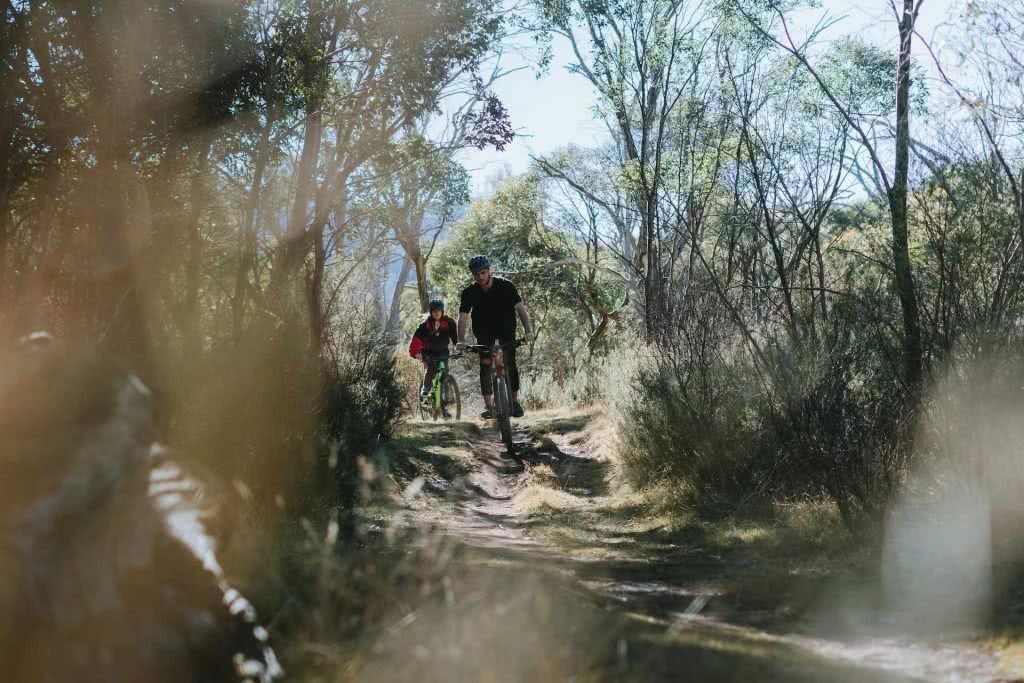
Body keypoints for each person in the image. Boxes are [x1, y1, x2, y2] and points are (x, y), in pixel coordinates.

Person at [455, 255, 533, 419]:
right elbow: (462, 317)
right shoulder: (469, 292)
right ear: (473, 275)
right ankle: (489, 406)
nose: (480, 277)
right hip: (484, 331)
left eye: (483, 272)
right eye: (476, 274)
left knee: (510, 362)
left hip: (506, 328)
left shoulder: (506, 286)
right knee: (485, 364)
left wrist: (528, 330)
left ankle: (514, 402)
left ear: (489, 271)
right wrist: (460, 340)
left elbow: (520, 309)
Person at [408, 299, 458, 411]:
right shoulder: (425, 325)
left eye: (439, 311)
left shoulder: (449, 323)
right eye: (434, 311)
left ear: (442, 311)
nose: (437, 313)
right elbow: (416, 340)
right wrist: (415, 353)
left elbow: (455, 339)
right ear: (431, 312)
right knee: (430, 370)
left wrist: (459, 348)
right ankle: (425, 391)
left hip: (443, 351)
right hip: (428, 352)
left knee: (444, 372)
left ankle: (448, 396)